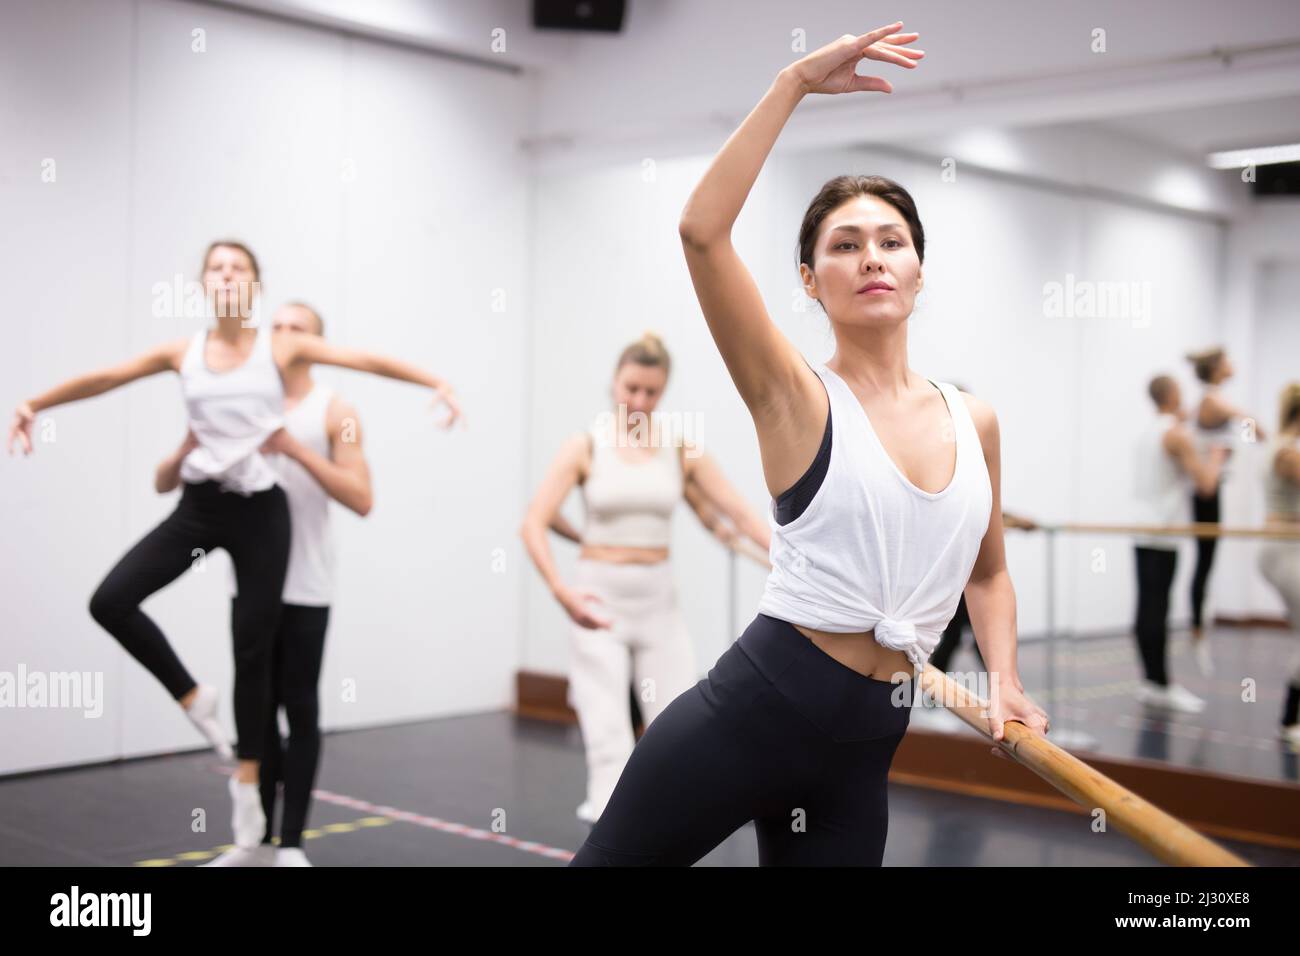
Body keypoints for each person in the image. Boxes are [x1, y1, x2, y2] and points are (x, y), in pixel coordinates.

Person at [569, 23, 1048, 867]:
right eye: (845, 245)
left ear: (919, 271)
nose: (873, 257)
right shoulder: (794, 394)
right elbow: (700, 233)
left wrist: (1002, 678)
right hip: (755, 710)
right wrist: (792, 83)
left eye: (892, 241)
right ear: (809, 279)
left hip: (866, 745)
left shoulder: (974, 419)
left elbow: (988, 571)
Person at [7, 241, 461, 851]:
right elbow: (110, 376)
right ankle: (195, 698)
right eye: (215, 266)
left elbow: (362, 359)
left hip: (265, 522)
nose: (226, 274)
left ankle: (262, 828)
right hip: (202, 508)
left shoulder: (285, 354)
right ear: (201, 282)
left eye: (238, 267)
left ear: (255, 283)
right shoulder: (184, 352)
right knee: (111, 600)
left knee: (262, 668)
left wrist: (436, 380)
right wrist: (35, 403)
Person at [520, 331, 771, 823]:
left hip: (657, 601)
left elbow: (739, 512)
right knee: (608, 732)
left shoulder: (679, 446)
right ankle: (609, 826)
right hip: (597, 600)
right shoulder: (586, 445)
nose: (639, 400)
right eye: (630, 388)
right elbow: (533, 521)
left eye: (651, 392)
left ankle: (666, 824)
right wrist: (562, 593)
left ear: (663, 391)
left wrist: (789, 556)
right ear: (614, 383)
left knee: (676, 722)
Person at [153, 301, 372, 866]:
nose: (284, 336)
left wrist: (295, 448)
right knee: (257, 708)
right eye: (277, 327)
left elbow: (362, 497)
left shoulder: (335, 409)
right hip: (250, 580)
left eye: (298, 330)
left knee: (299, 707)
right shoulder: (244, 399)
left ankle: (293, 844)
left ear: (317, 344)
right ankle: (255, 840)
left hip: (307, 584)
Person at [1132, 374, 1227, 714]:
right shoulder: (1175, 433)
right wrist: (1217, 457)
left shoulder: (1147, 431)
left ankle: (1151, 681)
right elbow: (1205, 485)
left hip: (1142, 527)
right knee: (1157, 608)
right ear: (1172, 396)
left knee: (1147, 606)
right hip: (1163, 530)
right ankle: (1159, 684)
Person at [1184, 347, 1267, 675]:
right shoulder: (1212, 399)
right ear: (1217, 367)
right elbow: (1252, 425)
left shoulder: (1212, 399)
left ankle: (1198, 628)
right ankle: (1197, 630)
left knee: (1207, 558)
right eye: (1227, 361)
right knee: (1205, 558)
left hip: (1212, 487)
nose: (1233, 365)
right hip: (1204, 490)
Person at [1255, 382, 1300, 744]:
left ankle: (1290, 718)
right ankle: (1290, 720)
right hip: (1285, 551)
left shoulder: (1282, 445)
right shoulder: (1287, 451)